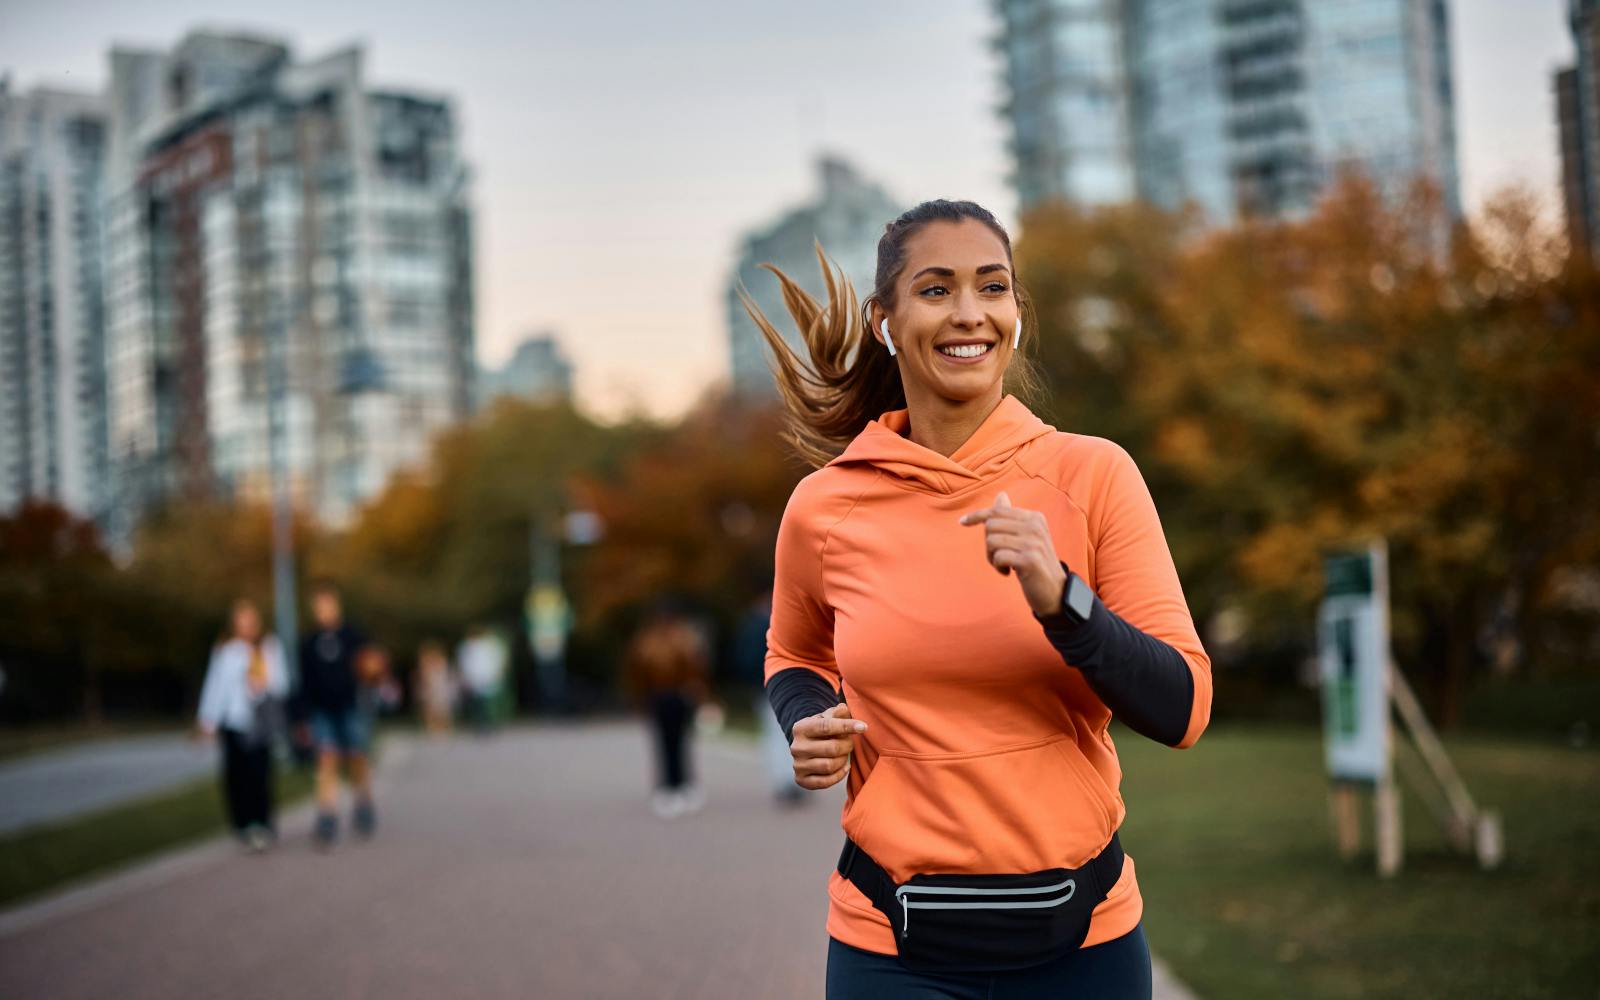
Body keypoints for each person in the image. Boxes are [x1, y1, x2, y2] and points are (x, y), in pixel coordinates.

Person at [749, 200, 1213, 998]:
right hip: (891, 949)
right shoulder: (825, 507)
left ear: (1016, 315)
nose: (969, 313)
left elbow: (1183, 707)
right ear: (886, 320)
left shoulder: (1094, 475)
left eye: (992, 288)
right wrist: (805, 719)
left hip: (1084, 947)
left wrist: (1063, 600)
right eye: (935, 290)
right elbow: (793, 653)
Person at [196, 598, 289, 852]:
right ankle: (243, 824)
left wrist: (261, 685)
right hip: (234, 721)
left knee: (259, 774)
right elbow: (215, 686)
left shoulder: (268, 648)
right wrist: (208, 719)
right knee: (236, 776)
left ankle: (263, 822)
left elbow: (281, 684)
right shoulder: (226, 650)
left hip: (260, 722)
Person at [296, 580, 376, 848]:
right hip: (322, 710)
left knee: (356, 757)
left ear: (336, 605)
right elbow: (304, 682)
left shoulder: (353, 636)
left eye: (327, 604)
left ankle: (363, 802)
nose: (323, 610)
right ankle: (327, 814)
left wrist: (374, 671)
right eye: (319, 606)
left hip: (350, 706)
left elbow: (371, 665)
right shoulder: (309, 643)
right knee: (327, 759)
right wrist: (301, 717)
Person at [623, 601, 710, 819]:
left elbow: (694, 669)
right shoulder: (667, 641)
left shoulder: (654, 641)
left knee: (674, 742)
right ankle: (673, 785)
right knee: (671, 743)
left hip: (671, 697)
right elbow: (638, 673)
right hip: (665, 697)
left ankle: (678, 784)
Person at [414, 640, 457, 736]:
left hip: (439, 686)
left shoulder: (441, 660)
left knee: (442, 708)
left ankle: (443, 727)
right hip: (430, 687)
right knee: (430, 708)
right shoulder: (425, 661)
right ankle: (432, 728)